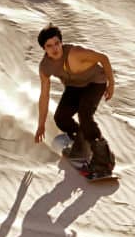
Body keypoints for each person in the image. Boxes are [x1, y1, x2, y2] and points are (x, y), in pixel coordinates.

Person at [34, 24, 116, 176]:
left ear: (61, 42)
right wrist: (41, 125)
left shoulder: (75, 54)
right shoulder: (45, 67)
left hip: (95, 83)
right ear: (44, 49)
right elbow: (44, 95)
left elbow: (103, 58)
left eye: (57, 43)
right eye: (49, 46)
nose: (55, 48)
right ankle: (82, 142)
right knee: (61, 118)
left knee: (85, 114)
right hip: (74, 86)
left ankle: (104, 159)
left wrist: (111, 83)